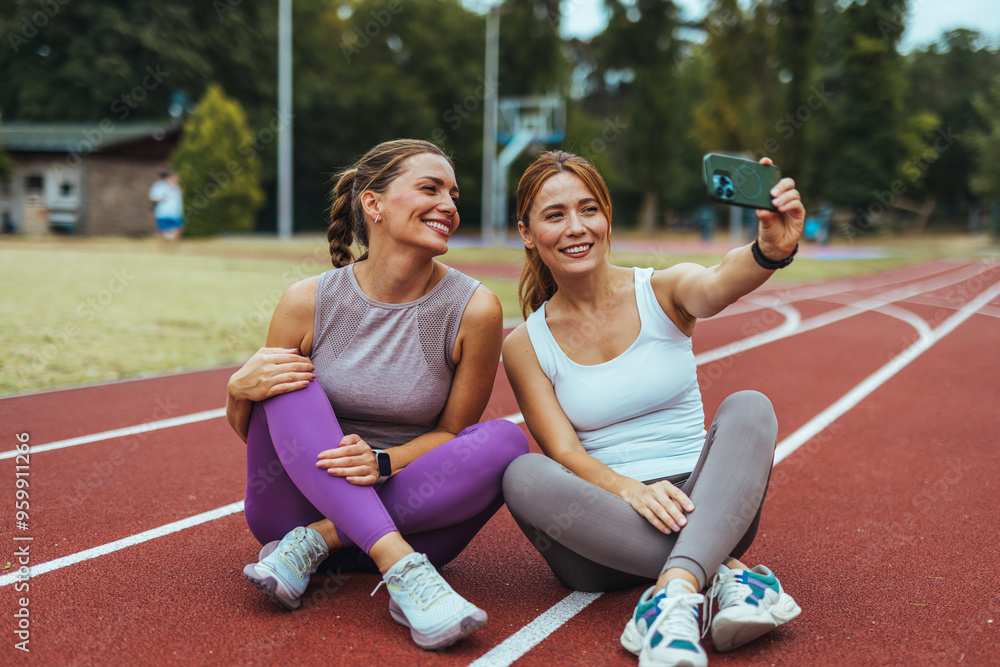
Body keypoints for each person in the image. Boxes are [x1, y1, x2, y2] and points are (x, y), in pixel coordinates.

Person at [501, 151, 804, 667]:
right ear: (527, 233)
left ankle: (672, 593)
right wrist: (631, 491)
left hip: (704, 503)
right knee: (521, 472)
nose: (576, 227)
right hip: (600, 533)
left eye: (588, 209)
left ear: (607, 217)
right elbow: (565, 453)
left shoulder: (661, 290)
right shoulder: (525, 344)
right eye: (555, 215)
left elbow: (717, 281)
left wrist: (768, 251)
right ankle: (726, 573)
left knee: (750, 407)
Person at [226, 139, 528, 650]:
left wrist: (383, 462)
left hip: (416, 520)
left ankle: (320, 542)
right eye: (430, 189)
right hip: (291, 514)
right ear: (374, 203)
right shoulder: (307, 301)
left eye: (453, 195)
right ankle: (401, 568)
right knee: (286, 380)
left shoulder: (475, 309)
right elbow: (266, 432)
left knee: (507, 441)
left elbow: (452, 434)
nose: (448, 206)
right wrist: (238, 392)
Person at [149, 171, 184, 245]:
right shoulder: (159, 186)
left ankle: (173, 247)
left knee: (178, 229)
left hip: (175, 213)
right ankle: (163, 247)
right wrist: (160, 199)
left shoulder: (177, 187)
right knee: (161, 231)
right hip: (163, 213)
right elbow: (153, 197)